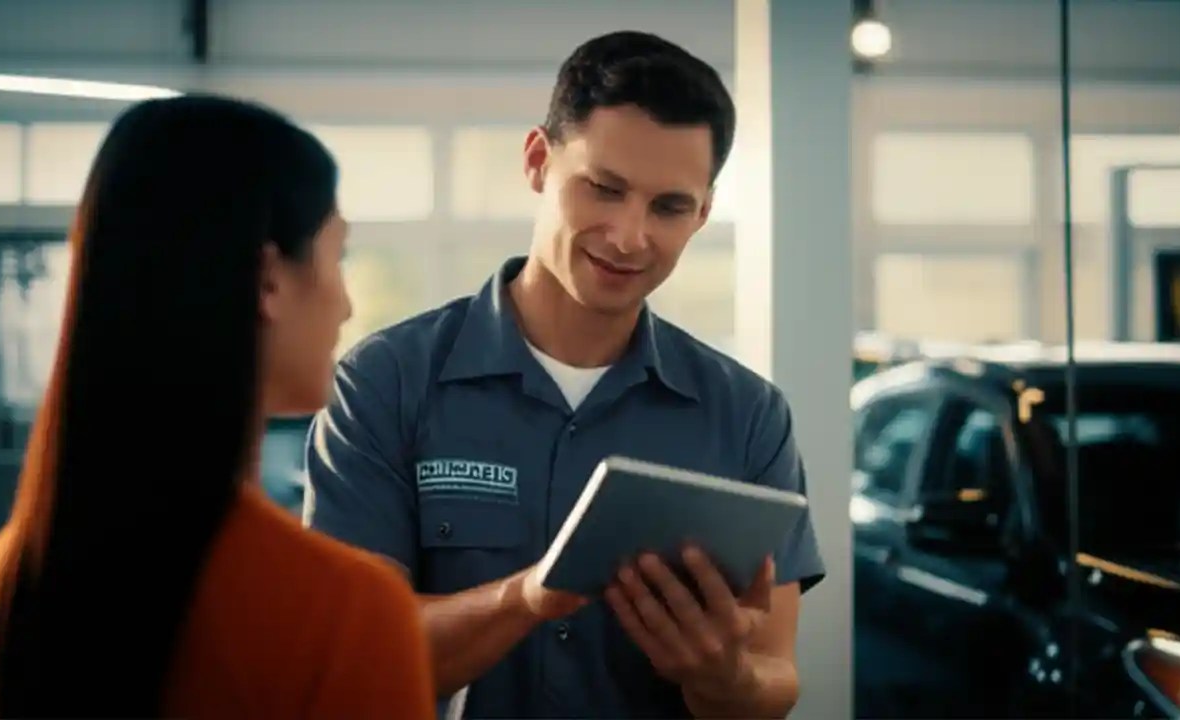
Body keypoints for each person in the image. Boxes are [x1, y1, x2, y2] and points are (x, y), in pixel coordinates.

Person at [305, 30, 824, 719]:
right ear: (536, 162)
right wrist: (526, 599)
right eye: (603, 189)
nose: (629, 236)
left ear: (702, 213)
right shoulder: (386, 382)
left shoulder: (748, 415)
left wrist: (724, 678)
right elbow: (353, 657)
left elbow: (776, 676)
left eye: (668, 207)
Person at [0, 95, 434, 720]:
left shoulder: (7, 585)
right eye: (336, 256)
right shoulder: (344, 614)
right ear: (268, 280)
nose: (343, 305)